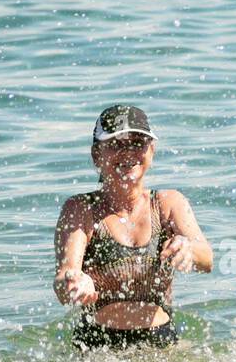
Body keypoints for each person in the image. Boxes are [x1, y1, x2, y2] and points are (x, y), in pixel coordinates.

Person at [54, 105, 212, 349]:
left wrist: (188, 248)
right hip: (96, 344)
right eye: (116, 144)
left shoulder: (169, 203)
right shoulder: (80, 209)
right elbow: (64, 278)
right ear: (97, 155)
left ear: (152, 151)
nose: (128, 152)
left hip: (160, 339)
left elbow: (207, 259)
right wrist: (76, 281)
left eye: (138, 143)